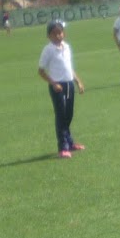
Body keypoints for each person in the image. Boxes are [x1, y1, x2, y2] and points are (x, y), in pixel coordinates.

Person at [38, 20, 85, 158]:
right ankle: (63, 147)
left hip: (69, 84)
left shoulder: (66, 47)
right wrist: (53, 83)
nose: (58, 36)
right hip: (58, 86)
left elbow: (69, 67)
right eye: (54, 33)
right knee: (61, 115)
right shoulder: (48, 50)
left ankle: (70, 143)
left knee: (69, 114)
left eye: (60, 32)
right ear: (49, 36)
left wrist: (78, 81)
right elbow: (41, 71)